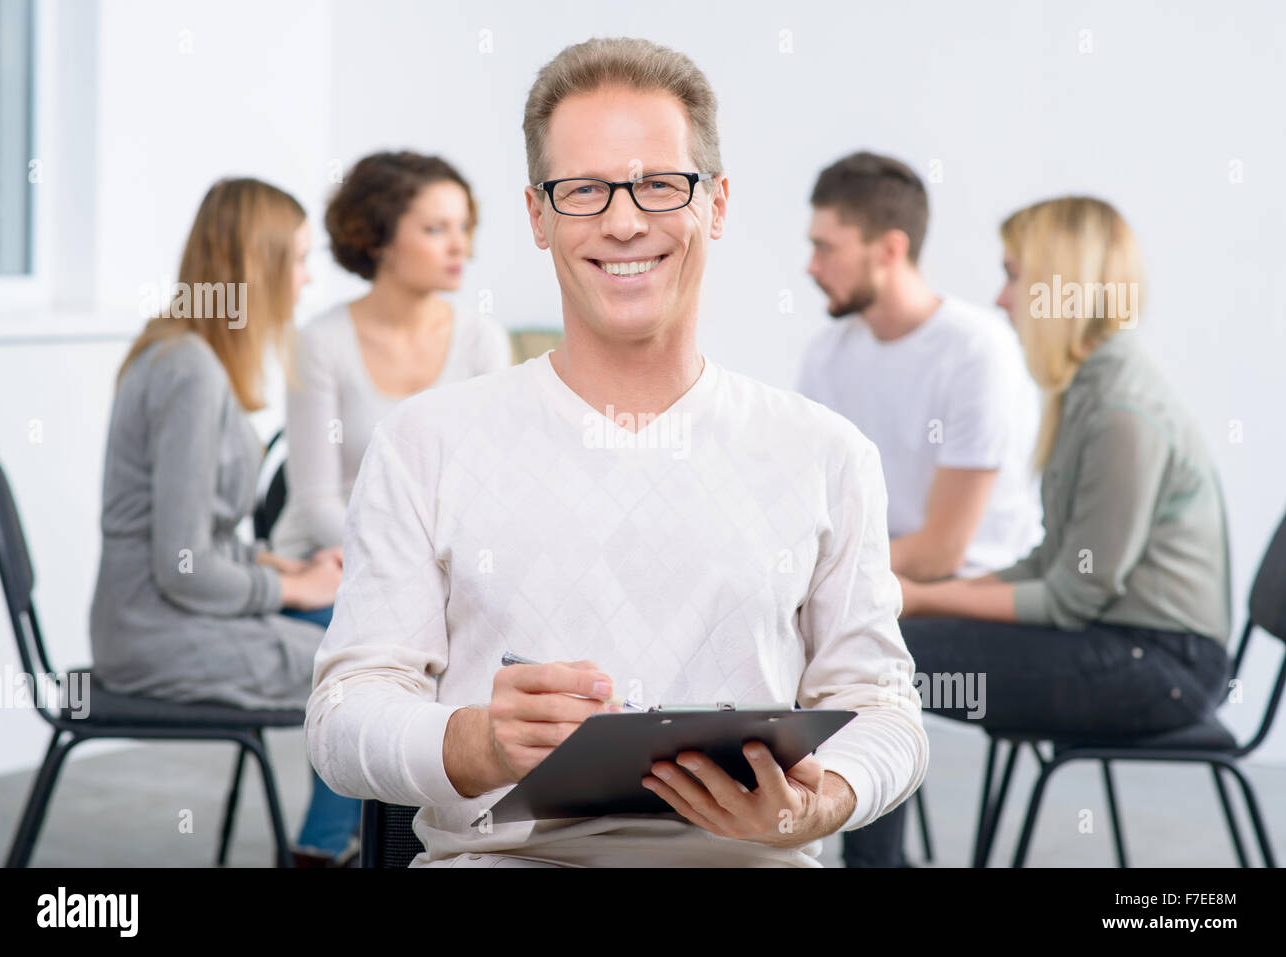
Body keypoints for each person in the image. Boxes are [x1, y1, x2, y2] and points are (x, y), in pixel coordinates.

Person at [304, 36, 929, 868]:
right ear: (538, 216)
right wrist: (475, 744)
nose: (625, 220)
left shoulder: (825, 453)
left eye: (659, 185)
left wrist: (827, 797)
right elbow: (342, 717)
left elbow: (883, 704)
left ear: (716, 204)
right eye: (585, 190)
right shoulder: (426, 442)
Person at [841, 196, 1234, 867]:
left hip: (1156, 668)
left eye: (1014, 274)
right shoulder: (1090, 388)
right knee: (882, 644)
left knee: (884, 658)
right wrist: (913, 590)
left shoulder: (1122, 411)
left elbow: (1070, 597)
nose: (1001, 297)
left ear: (1061, 287)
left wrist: (917, 595)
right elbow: (1053, 561)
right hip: (1120, 644)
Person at [88, 177, 361, 866]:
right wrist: (293, 589)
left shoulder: (178, 352)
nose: (304, 282)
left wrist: (278, 567)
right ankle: (331, 851)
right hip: (157, 633)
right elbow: (183, 568)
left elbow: (195, 540)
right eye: (297, 261)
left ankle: (328, 843)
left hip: (156, 618)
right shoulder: (190, 372)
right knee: (362, 669)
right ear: (258, 267)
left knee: (350, 633)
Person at [799, 152, 1042, 583]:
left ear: (891, 249)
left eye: (826, 248)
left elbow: (941, 552)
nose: (812, 268)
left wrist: (817, 575)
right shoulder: (826, 354)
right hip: (869, 586)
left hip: (968, 596)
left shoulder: (976, 351)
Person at [270, 151, 512, 560]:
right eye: (436, 229)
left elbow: (490, 485)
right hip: (328, 562)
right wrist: (414, 569)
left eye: (464, 227)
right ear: (377, 239)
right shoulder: (319, 343)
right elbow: (316, 506)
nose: (460, 247)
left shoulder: (482, 340)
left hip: (441, 566)